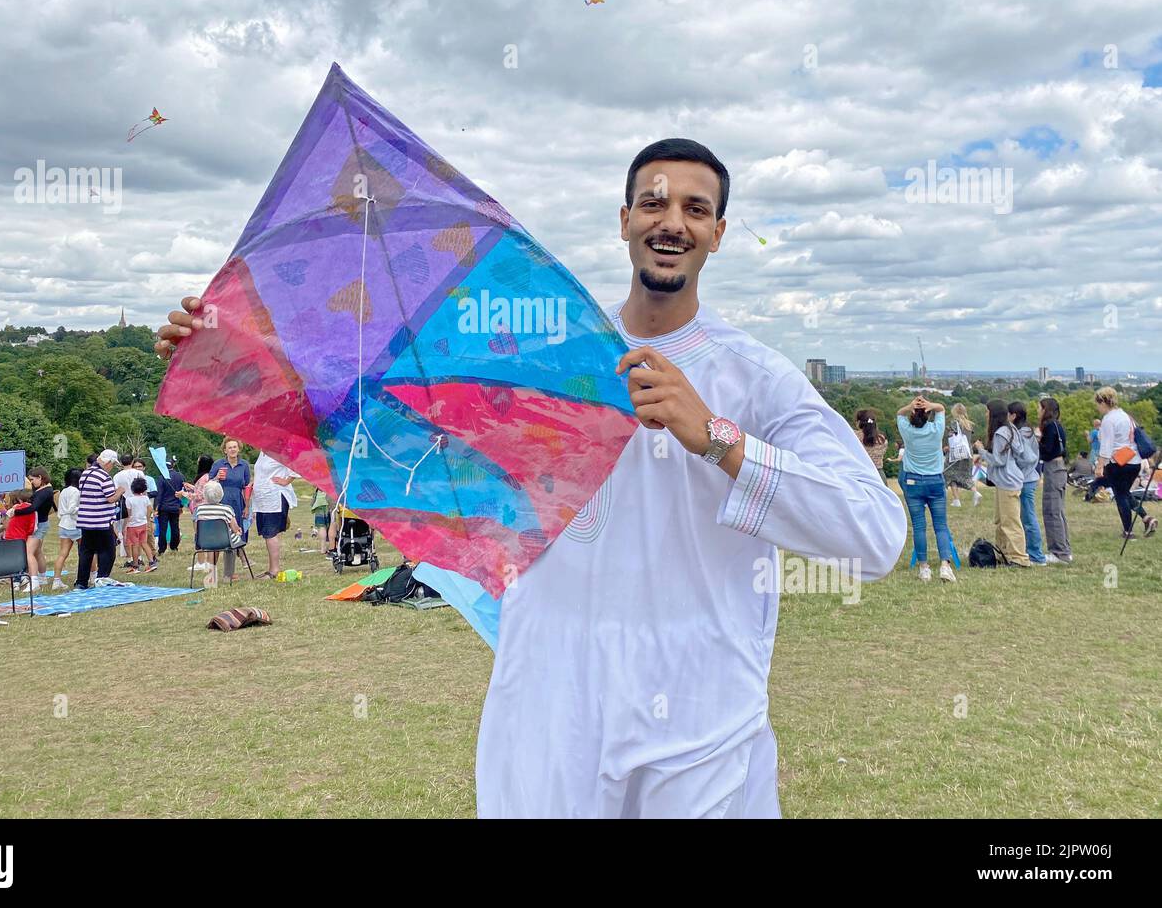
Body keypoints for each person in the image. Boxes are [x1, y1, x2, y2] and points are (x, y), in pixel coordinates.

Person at [157, 137, 907, 818]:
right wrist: (226, 353)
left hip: (700, 725)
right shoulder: (538, 357)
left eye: (695, 208)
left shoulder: (758, 378)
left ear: (716, 233)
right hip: (552, 712)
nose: (671, 220)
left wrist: (714, 436)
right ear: (624, 221)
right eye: (654, 201)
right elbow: (368, 409)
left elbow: (874, 535)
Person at [895, 395, 959, 582]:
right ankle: (945, 566)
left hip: (913, 481)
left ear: (913, 415)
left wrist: (911, 406)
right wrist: (930, 405)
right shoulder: (936, 430)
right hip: (935, 481)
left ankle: (924, 567)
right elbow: (941, 409)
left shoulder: (907, 431)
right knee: (940, 525)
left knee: (919, 526)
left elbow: (899, 413)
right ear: (928, 414)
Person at [1093, 387, 1157, 538]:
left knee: (1120, 496)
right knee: (1125, 493)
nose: (1097, 407)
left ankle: (1128, 531)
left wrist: (1100, 466)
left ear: (1103, 402)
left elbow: (1106, 447)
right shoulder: (1126, 416)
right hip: (1134, 461)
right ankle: (1147, 518)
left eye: (1097, 403)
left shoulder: (1108, 420)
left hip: (1117, 462)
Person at [975, 400, 1032, 567]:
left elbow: (999, 460)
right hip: (1009, 480)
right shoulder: (1011, 429)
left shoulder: (1001, 433)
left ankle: (1019, 557)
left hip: (1007, 481)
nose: (986, 415)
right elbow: (1018, 452)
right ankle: (1004, 553)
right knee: (1001, 520)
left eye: (987, 412)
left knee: (1010, 522)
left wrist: (981, 450)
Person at [75, 449, 127, 590]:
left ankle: (81, 581)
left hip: (85, 520)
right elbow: (110, 498)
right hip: (101, 520)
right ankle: (102, 578)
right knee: (108, 550)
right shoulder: (103, 476)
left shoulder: (85, 473)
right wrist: (120, 491)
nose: (111, 468)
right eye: (112, 464)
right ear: (108, 462)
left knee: (86, 551)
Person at [1008, 401, 1046, 565]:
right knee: (1025, 517)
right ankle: (1029, 551)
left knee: (1029, 518)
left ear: (1014, 415)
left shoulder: (1021, 433)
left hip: (1025, 479)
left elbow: (1027, 458)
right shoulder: (1028, 431)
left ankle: (1036, 555)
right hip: (1029, 478)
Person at [251, 450, 298, 578]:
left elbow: (296, 465)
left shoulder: (279, 451)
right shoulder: (262, 452)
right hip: (263, 500)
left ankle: (274, 570)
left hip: (274, 498)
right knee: (268, 534)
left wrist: (287, 480)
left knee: (271, 533)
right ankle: (271, 568)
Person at [1037, 397, 1071, 563]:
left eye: (1040, 408)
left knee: (1052, 510)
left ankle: (1059, 552)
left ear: (1045, 410)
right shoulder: (1058, 425)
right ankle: (1064, 549)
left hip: (1053, 467)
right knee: (1058, 511)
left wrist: (1036, 442)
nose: (1038, 411)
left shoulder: (1050, 426)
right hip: (1060, 468)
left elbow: (1048, 450)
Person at [194, 480, 243, 585]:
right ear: (221, 494)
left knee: (214, 547)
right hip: (224, 541)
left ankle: (212, 576)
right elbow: (235, 528)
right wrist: (238, 531)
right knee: (232, 546)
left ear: (205, 495)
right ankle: (228, 575)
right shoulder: (226, 509)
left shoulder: (199, 510)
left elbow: (197, 528)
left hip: (205, 541)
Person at [210, 439, 251, 544]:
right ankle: (216, 555)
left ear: (238, 449)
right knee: (220, 530)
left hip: (238, 501)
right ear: (225, 450)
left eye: (234, 447)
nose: (232, 449)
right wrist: (217, 477)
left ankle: (241, 557)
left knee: (238, 529)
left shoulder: (244, 465)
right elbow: (209, 484)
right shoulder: (218, 464)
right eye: (229, 447)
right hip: (221, 500)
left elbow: (246, 487)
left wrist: (247, 507)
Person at [21, 468, 56, 593]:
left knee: (28, 552)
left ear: (40, 477)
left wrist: (17, 511)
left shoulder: (44, 491)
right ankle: (42, 577)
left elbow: (33, 508)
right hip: (41, 523)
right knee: (37, 552)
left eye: (32, 480)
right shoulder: (45, 490)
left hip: (39, 525)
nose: (31, 483)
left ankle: (34, 581)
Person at [944, 404, 982, 507]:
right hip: (967, 453)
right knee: (966, 476)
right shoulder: (969, 424)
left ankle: (956, 500)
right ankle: (975, 492)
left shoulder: (954, 423)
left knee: (949, 474)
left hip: (956, 453)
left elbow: (952, 437)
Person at [54, 467, 82, 590]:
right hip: (75, 525)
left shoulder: (64, 491)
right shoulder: (76, 492)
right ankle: (92, 576)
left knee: (63, 553)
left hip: (64, 525)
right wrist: (81, 509)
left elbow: (60, 511)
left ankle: (56, 580)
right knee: (86, 552)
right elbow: (71, 509)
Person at [124, 477, 156, 572]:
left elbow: (129, 514)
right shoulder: (145, 498)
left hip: (133, 525)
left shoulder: (129, 500)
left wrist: (125, 525)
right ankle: (151, 562)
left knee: (134, 545)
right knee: (144, 543)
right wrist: (146, 518)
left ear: (132, 488)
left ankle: (135, 566)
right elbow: (150, 509)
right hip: (143, 524)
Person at [156, 456, 187, 555]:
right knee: (175, 527)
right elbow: (183, 491)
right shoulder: (180, 476)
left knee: (163, 529)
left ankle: (162, 548)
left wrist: (156, 507)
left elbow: (159, 494)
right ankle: (174, 546)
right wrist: (181, 505)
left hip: (164, 507)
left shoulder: (161, 477)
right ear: (173, 465)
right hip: (175, 506)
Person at [111, 454, 139, 562]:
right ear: (132, 462)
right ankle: (138, 557)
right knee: (138, 530)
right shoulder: (138, 473)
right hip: (138, 502)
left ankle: (129, 557)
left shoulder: (117, 476)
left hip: (124, 503)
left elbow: (116, 491)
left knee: (125, 530)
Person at [853, 409, 887, 474]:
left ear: (859, 422)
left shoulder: (854, 436)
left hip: (861, 473)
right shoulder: (882, 439)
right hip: (879, 474)